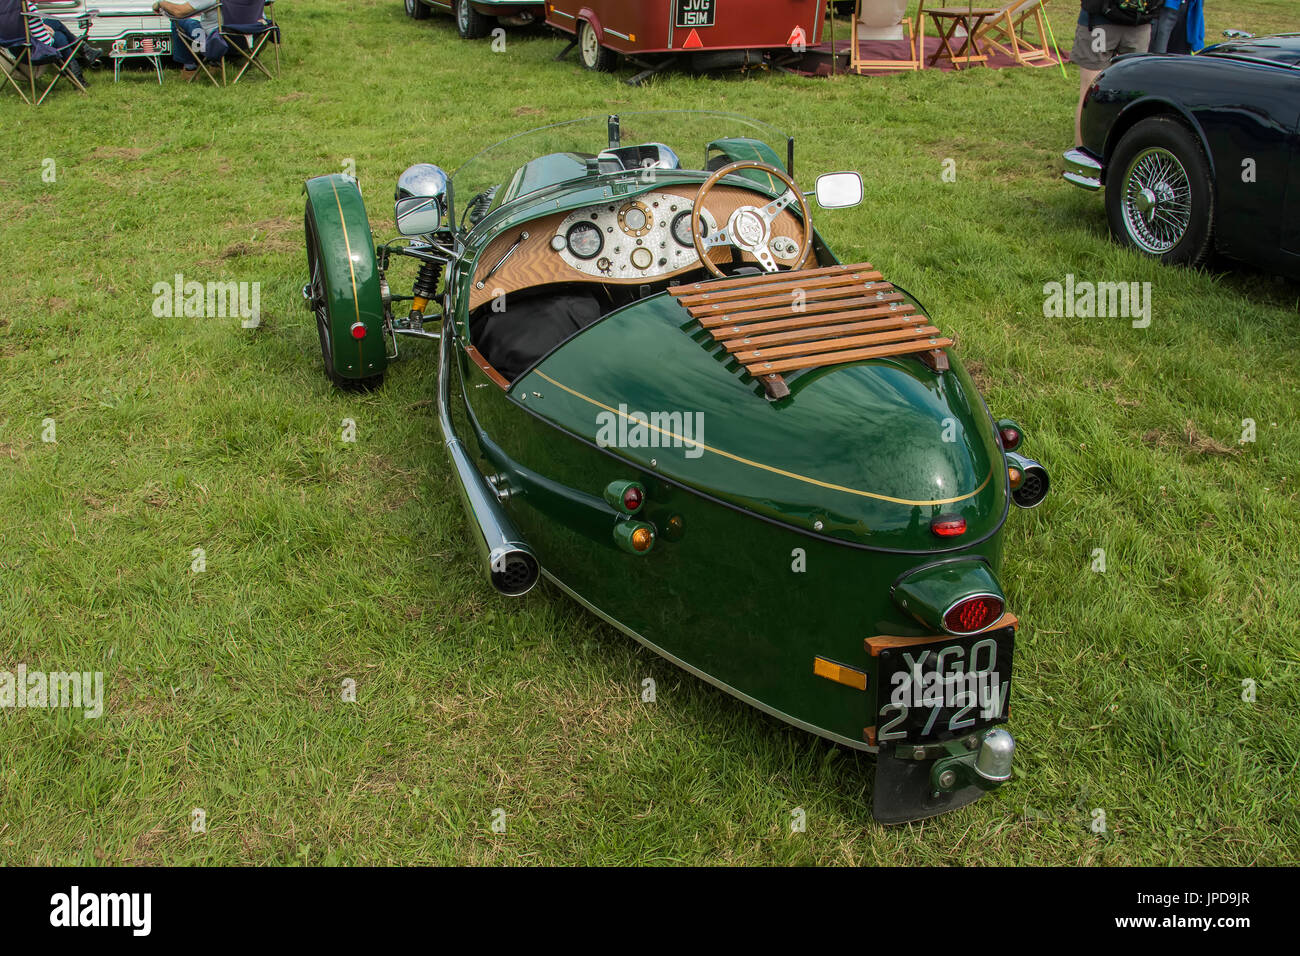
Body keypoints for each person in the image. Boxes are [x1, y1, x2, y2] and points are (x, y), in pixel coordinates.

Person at [1072, 2, 1155, 147]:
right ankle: (1122, 155)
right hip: (1138, 21)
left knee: (1089, 94)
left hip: (1101, 21)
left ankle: (1082, 159)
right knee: (1131, 97)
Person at [152, 0, 227, 81]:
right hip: (237, 37)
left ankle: (190, 68)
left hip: (215, 40)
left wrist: (161, 3)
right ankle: (215, 65)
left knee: (179, 21)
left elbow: (179, 11)